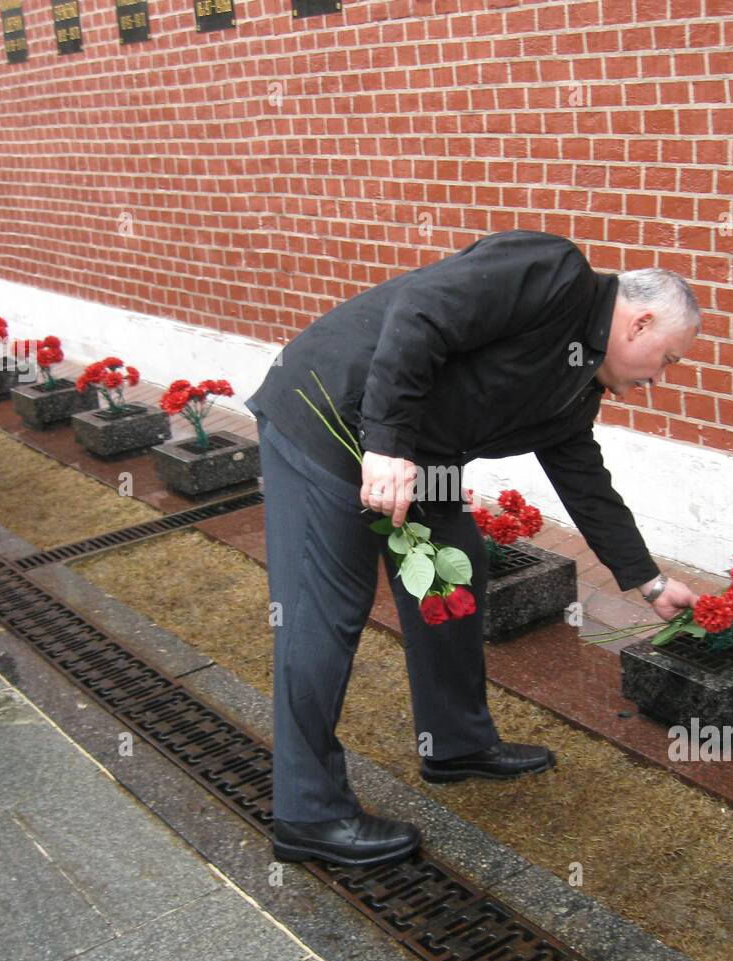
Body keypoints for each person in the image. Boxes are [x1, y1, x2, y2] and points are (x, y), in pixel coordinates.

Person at [245, 229, 702, 867]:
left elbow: (583, 479)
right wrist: (386, 442)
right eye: (669, 359)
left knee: (453, 581)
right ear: (641, 321)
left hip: (411, 457)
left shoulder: (575, 387)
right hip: (324, 417)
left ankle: (454, 743)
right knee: (324, 613)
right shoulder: (554, 271)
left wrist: (647, 582)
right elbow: (422, 312)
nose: (659, 378)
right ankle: (308, 814)